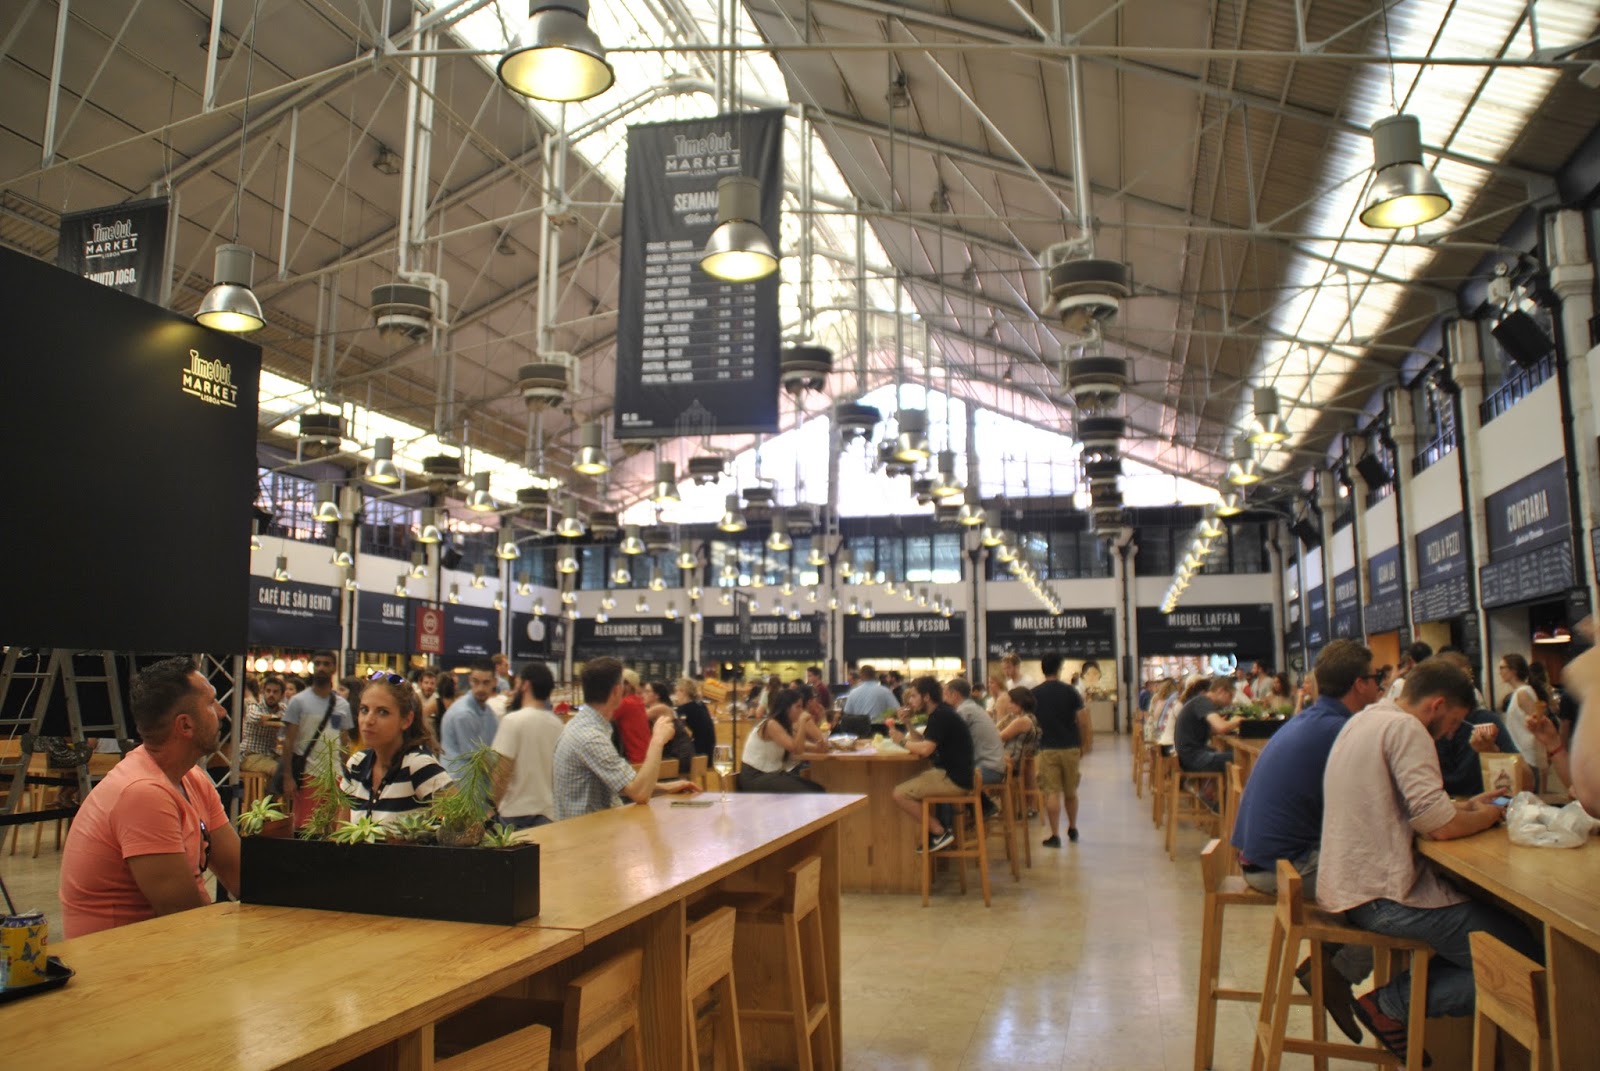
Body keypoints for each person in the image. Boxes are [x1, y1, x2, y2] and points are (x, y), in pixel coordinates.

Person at [1320, 658, 1543, 1064]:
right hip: (1387, 900)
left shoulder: (1367, 718)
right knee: (1533, 963)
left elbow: (1420, 809)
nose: (1454, 731)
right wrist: (1492, 813)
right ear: (1437, 704)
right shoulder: (1407, 728)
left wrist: (1467, 807)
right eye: (1456, 720)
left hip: (1354, 888)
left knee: (1505, 947)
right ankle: (1392, 1004)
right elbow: (1437, 826)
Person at [1231, 640, 1384, 1042]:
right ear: (1360, 685)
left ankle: (1330, 966)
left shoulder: (1312, 720)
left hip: (1261, 858)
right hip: (1280, 869)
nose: (1381, 687)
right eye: (1377, 679)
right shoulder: (1340, 730)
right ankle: (1339, 973)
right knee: (1396, 887)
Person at [59, 657, 240, 938]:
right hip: (119, 965)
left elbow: (239, 873)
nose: (221, 710)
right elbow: (183, 916)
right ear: (185, 726)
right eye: (211, 703)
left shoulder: (192, 778)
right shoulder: (142, 792)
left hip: (163, 951)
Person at [552, 657, 700, 820]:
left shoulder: (580, 725)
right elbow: (639, 794)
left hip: (594, 829)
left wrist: (665, 788)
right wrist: (658, 740)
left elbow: (623, 785)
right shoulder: (590, 737)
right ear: (617, 691)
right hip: (591, 837)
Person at [340, 672, 451, 826]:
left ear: (406, 720)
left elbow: (465, 824)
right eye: (364, 710)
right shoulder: (356, 764)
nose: (368, 720)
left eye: (382, 712)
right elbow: (339, 832)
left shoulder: (417, 765)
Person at [887, 676, 977, 853]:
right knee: (911, 784)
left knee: (899, 794)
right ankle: (940, 829)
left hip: (953, 779)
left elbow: (926, 750)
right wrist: (907, 724)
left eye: (913, 696)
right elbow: (924, 741)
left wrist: (901, 742)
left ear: (926, 697)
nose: (910, 701)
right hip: (958, 774)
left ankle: (939, 832)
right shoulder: (941, 712)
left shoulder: (940, 716)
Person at [279, 650, 353, 828]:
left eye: (326, 664)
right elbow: (289, 741)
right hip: (308, 776)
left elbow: (344, 742)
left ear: (334, 668)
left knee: (335, 827)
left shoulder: (342, 705)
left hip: (336, 777)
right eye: (318, 663)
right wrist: (288, 776)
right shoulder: (298, 702)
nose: (321, 668)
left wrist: (349, 777)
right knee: (306, 827)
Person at [1432, 650, 1520, 796]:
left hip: (1486, 811)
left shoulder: (1484, 721)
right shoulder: (1424, 728)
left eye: (1467, 683)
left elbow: (1525, 782)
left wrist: (1493, 752)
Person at [491, 662, 565, 828]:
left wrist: (490, 807)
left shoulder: (513, 721)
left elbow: (502, 771)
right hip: (548, 814)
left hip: (515, 815)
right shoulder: (557, 724)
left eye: (517, 683)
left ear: (526, 685)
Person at [1031, 653, 1092, 846]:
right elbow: (1082, 721)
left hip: (1046, 748)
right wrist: (1083, 744)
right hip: (1070, 746)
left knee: (1052, 792)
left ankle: (1055, 834)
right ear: (1059, 669)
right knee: (1071, 791)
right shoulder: (1071, 692)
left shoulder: (1035, 694)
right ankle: (1072, 827)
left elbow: (1031, 723)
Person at [739, 687, 827, 793]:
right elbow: (797, 749)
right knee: (810, 793)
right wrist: (802, 722)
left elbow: (798, 743)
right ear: (786, 708)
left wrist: (817, 746)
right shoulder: (771, 724)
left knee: (818, 789)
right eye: (798, 707)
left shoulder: (783, 725)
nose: (801, 711)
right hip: (756, 776)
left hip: (771, 775)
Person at [439, 659, 501, 782]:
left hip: (475, 789)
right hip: (458, 791)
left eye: (486, 682)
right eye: (476, 682)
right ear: (470, 680)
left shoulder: (489, 713)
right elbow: (480, 761)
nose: (480, 688)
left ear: (495, 682)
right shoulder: (463, 714)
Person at [1497, 653, 1548, 786]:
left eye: (1502, 668)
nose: (1500, 672)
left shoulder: (1523, 693)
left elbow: (1538, 722)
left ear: (1512, 670)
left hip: (1528, 754)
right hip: (1523, 753)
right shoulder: (1518, 693)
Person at [1174, 676, 1242, 774]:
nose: (1230, 702)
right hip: (1194, 758)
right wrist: (1237, 721)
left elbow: (1215, 729)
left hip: (1188, 756)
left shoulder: (1201, 701)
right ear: (1221, 691)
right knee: (1239, 758)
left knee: (1229, 753)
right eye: (1230, 696)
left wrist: (1226, 723)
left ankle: (1223, 789)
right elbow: (1221, 727)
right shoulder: (1203, 702)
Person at [945, 678, 1005, 787]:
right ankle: (983, 804)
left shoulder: (964, 711)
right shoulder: (973, 708)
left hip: (986, 770)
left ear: (954, 695)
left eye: (945, 694)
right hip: (992, 767)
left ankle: (977, 804)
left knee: (942, 782)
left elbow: (949, 739)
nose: (943, 699)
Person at [995, 686, 1041, 802]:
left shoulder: (1022, 721)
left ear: (1020, 703)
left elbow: (999, 737)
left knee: (977, 771)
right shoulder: (1029, 718)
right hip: (1012, 760)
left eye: (1011, 702)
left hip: (1011, 763)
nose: (1008, 705)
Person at [240, 673, 286, 775]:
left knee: (293, 766)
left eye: (275, 692)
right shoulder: (255, 705)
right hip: (250, 755)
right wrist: (272, 717)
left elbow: (292, 719)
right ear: (262, 692)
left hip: (270, 754)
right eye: (268, 691)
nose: (271, 695)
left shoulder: (282, 708)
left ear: (282, 695)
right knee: (279, 770)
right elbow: (253, 717)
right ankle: (270, 791)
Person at [645, 680, 696, 768]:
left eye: (647, 691)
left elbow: (637, 717)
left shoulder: (661, 708)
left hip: (679, 756)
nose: (643, 694)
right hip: (681, 753)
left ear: (657, 695)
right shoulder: (663, 707)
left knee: (648, 766)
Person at [612, 669, 652, 763]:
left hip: (634, 758)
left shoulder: (626, 703)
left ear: (628, 686)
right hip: (646, 755)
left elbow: (604, 717)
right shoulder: (638, 701)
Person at [673, 677, 717, 759]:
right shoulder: (701, 705)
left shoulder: (684, 709)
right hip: (709, 752)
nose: (675, 694)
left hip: (697, 754)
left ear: (683, 691)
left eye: (676, 691)